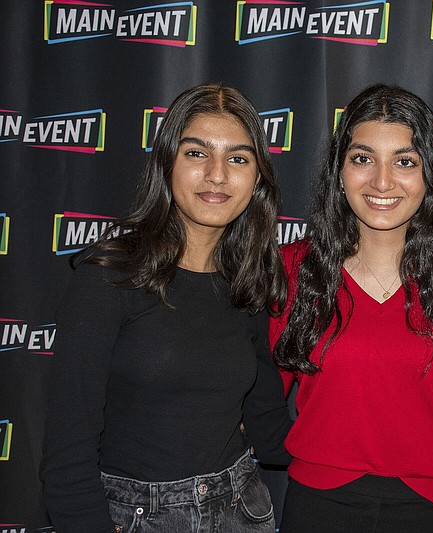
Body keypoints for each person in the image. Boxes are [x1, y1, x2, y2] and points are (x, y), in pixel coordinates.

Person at [40, 83, 293, 533]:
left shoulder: (248, 281)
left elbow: (270, 428)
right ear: (166, 162)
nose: (217, 175)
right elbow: (67, 453)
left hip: (243, 509)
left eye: (238, 158)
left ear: (257, 179)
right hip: (136, 517)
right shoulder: (109, 278)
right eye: (197, 153)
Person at [270, 84, 433, 532]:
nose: (382, 181)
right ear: (338, 171)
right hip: (318, 505)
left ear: (429, 173)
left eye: (405, 161)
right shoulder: (294, 269)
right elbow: (253, 398)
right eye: (362, 158)